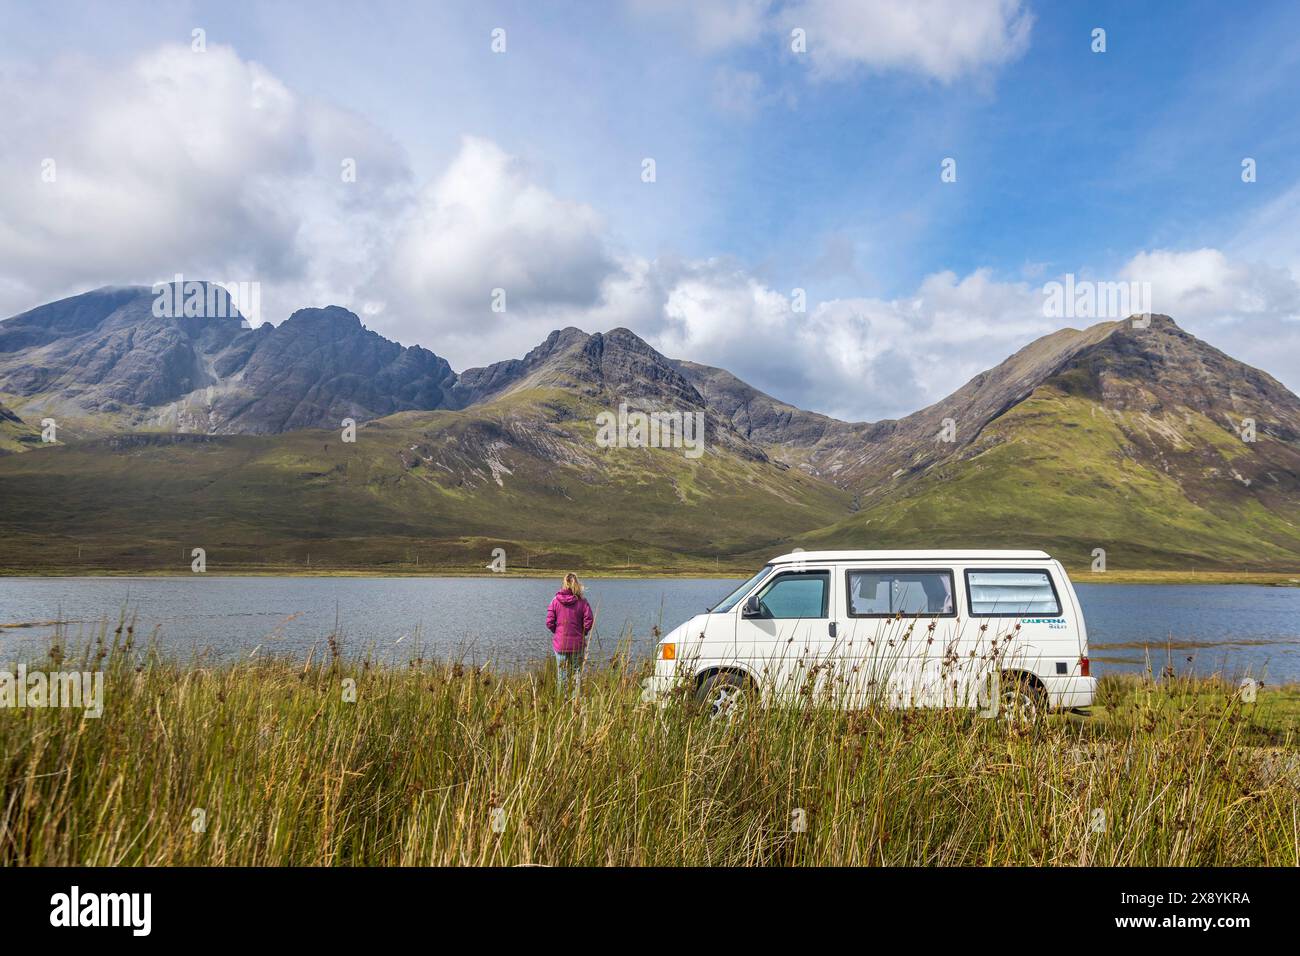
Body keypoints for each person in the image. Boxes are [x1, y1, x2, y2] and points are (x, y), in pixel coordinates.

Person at [546, 573, 594, 696]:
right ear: (577, 584)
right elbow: (589, 620)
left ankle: (561, 701)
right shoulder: (582, 602)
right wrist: (583, 633)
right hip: (577, 644)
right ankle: (575, 702)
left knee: (561, 675)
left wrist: (557, 632)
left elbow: (549, 622)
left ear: (564, 584)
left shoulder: (555, 601)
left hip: (560, 644)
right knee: (577, 674)